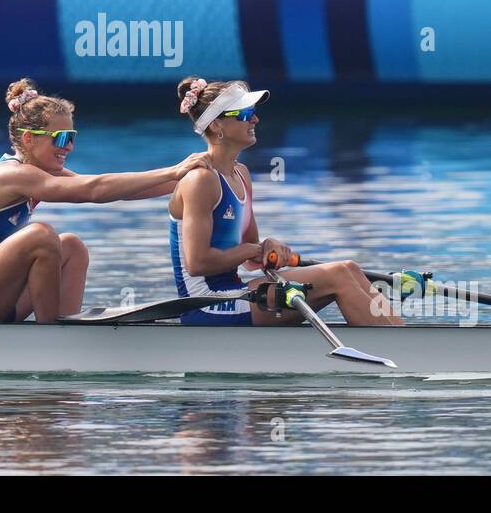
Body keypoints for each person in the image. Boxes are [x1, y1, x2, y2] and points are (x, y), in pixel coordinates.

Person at [0, 78, 211, 324]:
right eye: (61, 138)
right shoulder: (9, 175)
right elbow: (94, 190)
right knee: (41, 236)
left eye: (72, 137)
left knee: (71, 247)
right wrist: (173, 169)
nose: (69, 147)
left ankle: (64, 328)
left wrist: (188, 181)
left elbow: (118, 190)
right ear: (28, 139)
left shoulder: (38, 173)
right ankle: (53, 337)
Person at [169, 76, 402, 326]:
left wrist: (268, 245)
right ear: (216, 126)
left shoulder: (241, 174)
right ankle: (400, 353)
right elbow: (198, 263)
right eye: (246, 113)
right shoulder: (200, 180)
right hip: (207, 304)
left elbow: (250, 261)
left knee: (349, 268)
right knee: (337, 275)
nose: (255, 119)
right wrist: (253, 250)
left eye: (254, 112)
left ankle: (400, 339)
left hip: (236, 292)